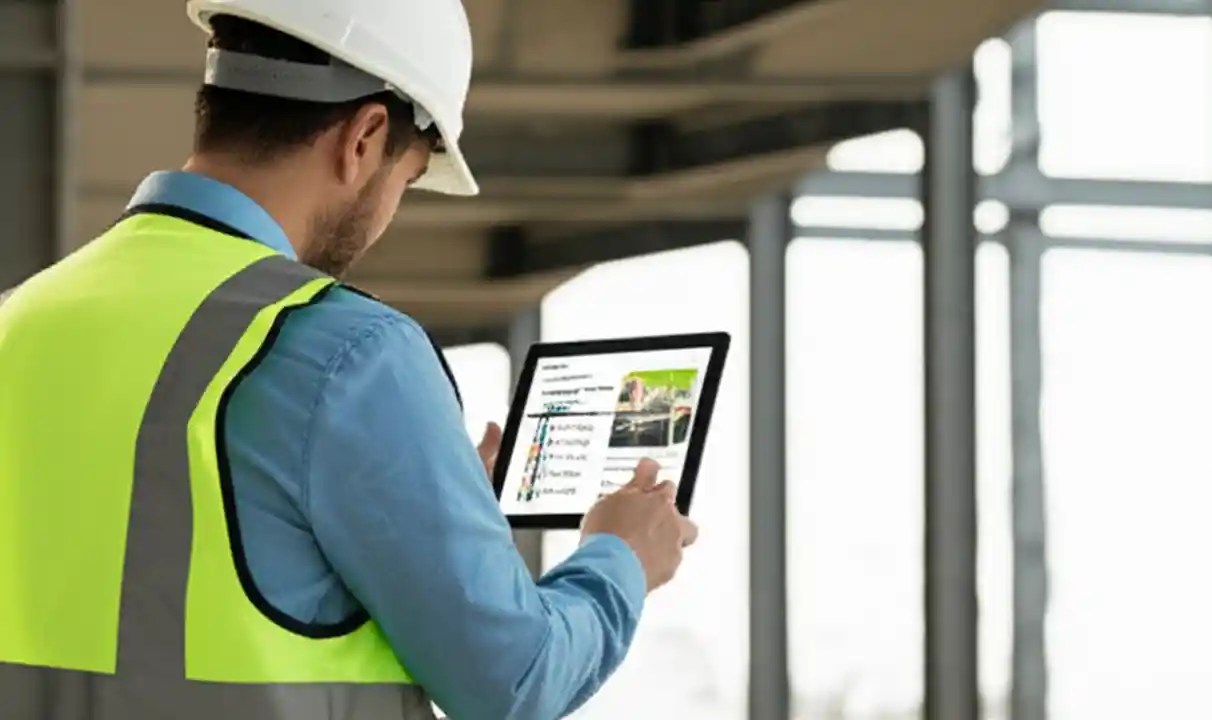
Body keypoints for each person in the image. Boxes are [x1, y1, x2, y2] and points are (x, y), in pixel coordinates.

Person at [0, 1, 699, 719]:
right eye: (409, 177)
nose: (391, 210)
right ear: (364, 137)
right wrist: (620, 558)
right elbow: (515, 682)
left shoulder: (21, 317)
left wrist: (422, 506)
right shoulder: (347, 352)